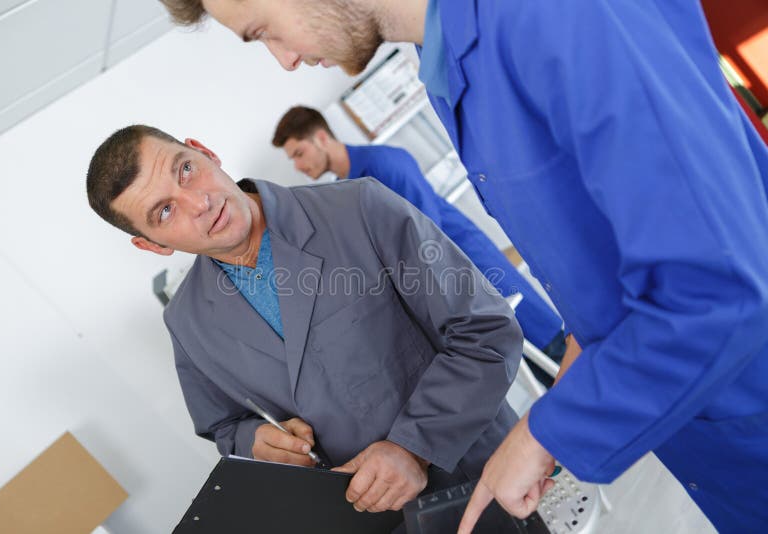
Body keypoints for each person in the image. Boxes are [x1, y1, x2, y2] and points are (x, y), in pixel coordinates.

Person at [159, 1, 768, 532]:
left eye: (264, 30)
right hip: (709, 437)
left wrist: (545, 431)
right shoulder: (453, 78)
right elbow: (619, 252)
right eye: (162, 214)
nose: (284, 62)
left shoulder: (551, 15)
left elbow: (713, 290)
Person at [86, 124, 525, 515]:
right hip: (369, 515)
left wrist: (414, 448)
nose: (198, 202)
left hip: (481, 478)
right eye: (164, 212)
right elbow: (223, 425)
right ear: (153, 246)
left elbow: (485, 331)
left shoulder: (358, 208)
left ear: (205, 151)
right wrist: (256, 441)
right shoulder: (187, 323)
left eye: (185, 170)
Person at [272, 105, 567, 383]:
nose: (298, 166)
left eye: (299, 153)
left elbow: (428, 232)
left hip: (473, 268)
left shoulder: (384, 163)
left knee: (555, 356)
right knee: (528, 369)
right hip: (452, 290)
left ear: (322, 138)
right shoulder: (344, 192)